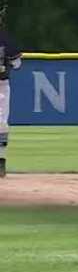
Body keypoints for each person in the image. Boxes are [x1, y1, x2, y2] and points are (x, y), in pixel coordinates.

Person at [0, 28, 23, 178]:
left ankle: (1, 161)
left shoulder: (5, 38)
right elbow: (17, 64)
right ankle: (1, 162)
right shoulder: (4, 38)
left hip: (2, 85)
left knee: (1, 123)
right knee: (1, 123)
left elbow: (17, 62)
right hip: (2, 84)